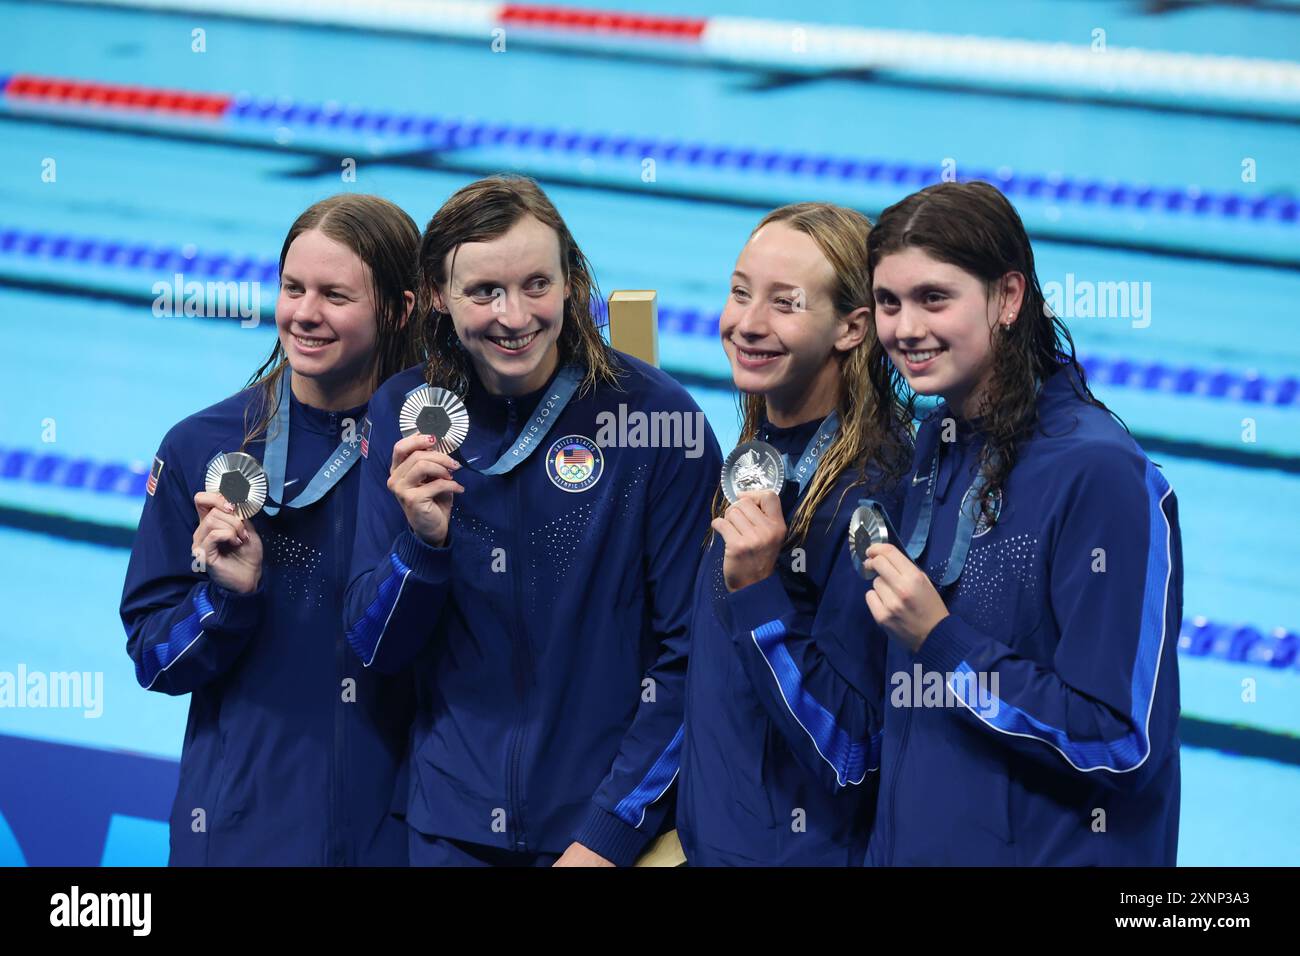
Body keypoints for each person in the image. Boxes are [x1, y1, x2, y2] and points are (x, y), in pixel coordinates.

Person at [343, 175, 722, 867]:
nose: (514, 316)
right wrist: (420, 547)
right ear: (437, 294)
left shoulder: (658, 422)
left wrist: (609, 834)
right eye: (483, 291)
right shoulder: (403, 412)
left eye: (536, 285)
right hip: (451, 831)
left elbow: (689, 658)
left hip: (609, 839)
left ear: (573, 282)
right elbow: (374, 650)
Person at [861, 181, 1182, 865]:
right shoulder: (937, 442)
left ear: (1007, 298)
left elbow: (1119, 743)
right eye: (889, 303)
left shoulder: (1099, 475)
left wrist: (942, 642)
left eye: (933, 298)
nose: (905, 329)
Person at [120, 194, 422, 865]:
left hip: (399, 839)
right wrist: (225, 600)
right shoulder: (205, 446)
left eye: (335, 295)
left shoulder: (429, 455)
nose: (305, 313)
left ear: (400, 310)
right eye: (293, 288)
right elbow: (152, 658)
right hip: (241, 832)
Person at [676, 203, 912, 866]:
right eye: (740, 291)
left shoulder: (869, 494)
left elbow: (853, 753)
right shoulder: (764, 450)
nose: (747, 323)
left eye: (786, 303)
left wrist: (758, 595)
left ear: (852, 326)